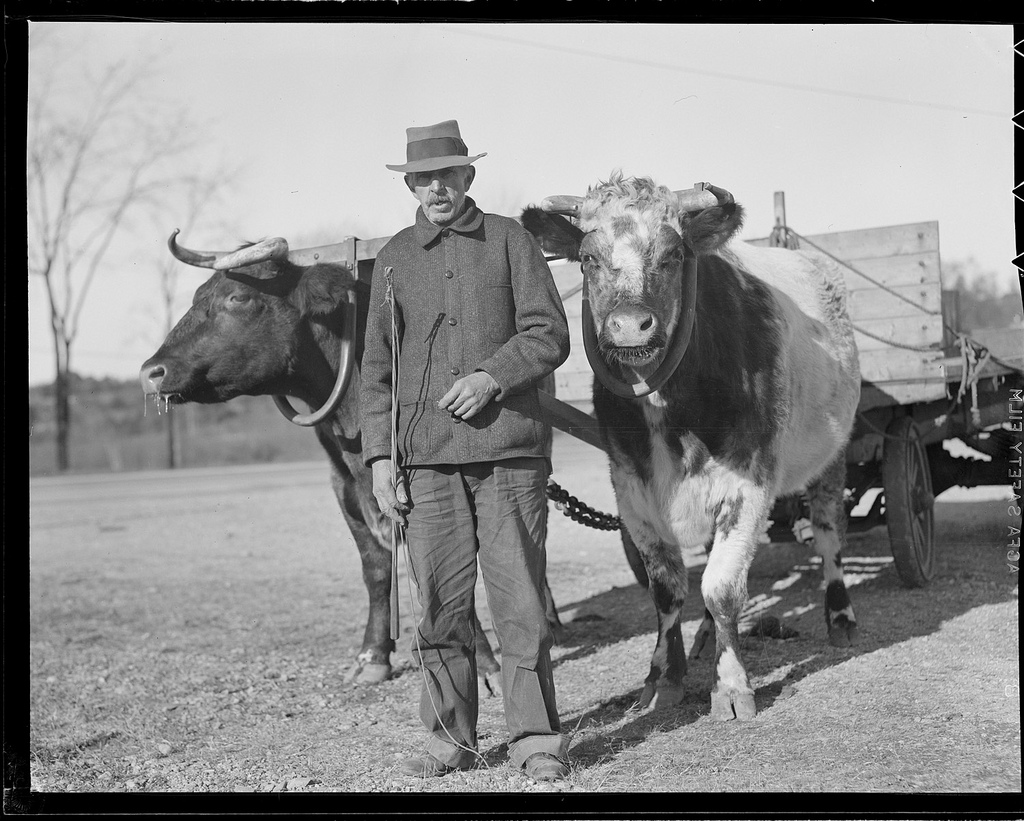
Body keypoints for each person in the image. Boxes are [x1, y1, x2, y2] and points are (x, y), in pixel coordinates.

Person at [360, 120, 571, 782]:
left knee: (520, 607)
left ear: (468, 177)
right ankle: (450, 740)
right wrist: (378, 458)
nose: (435, 188)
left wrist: (492, 376)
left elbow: (549, 333)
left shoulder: (511, 241)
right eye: (422, 178)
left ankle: (536, 742)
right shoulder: (394, 258)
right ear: (411, 185)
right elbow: (376, 372)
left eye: (447, 175)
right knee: (442, 609)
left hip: (509, 458)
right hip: (425, 467)